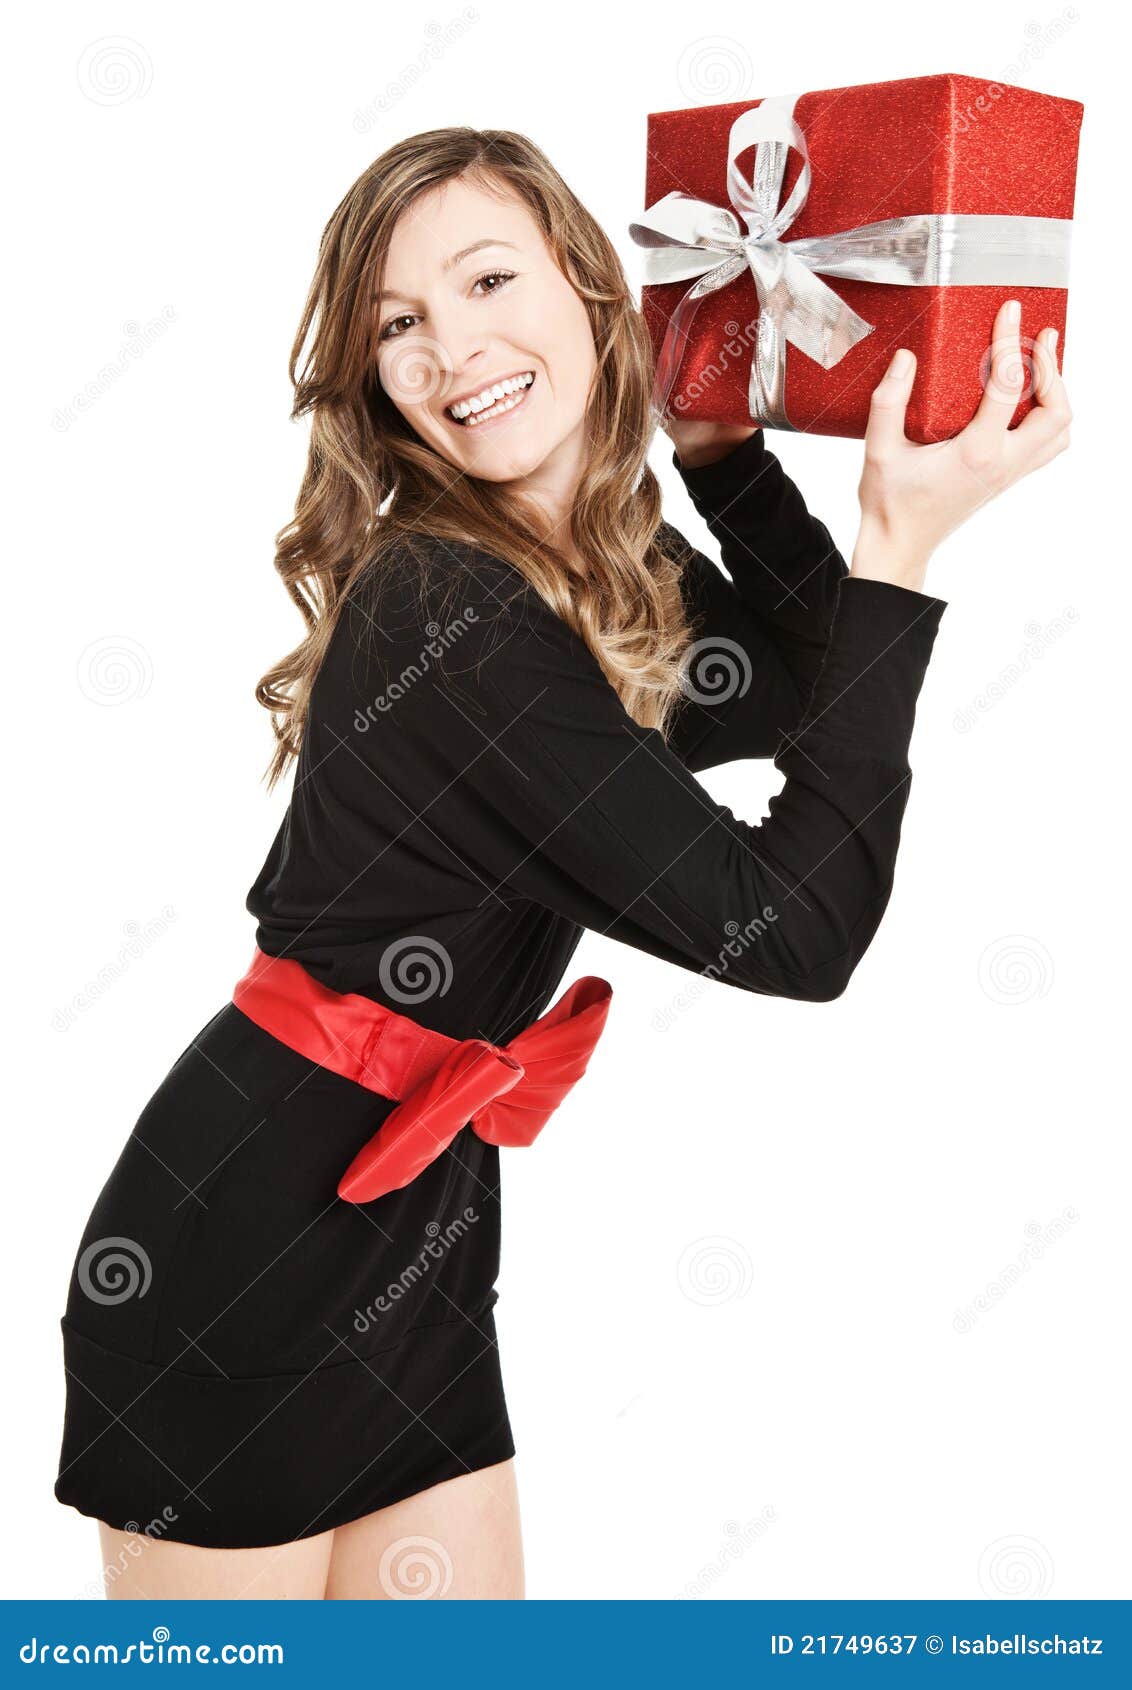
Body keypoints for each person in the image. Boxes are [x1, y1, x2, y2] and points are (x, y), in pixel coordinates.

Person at [53, 126, 1072, 1601]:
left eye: (486, 281)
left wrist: (725, 461)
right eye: (398, 324)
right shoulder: (445, 608)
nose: (451, 349)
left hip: (417, 1219)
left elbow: (803, 688)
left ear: (595, 292)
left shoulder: (590, 563)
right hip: (240, 1247)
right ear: (374, 378)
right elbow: (792, 931)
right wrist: (896, 549)